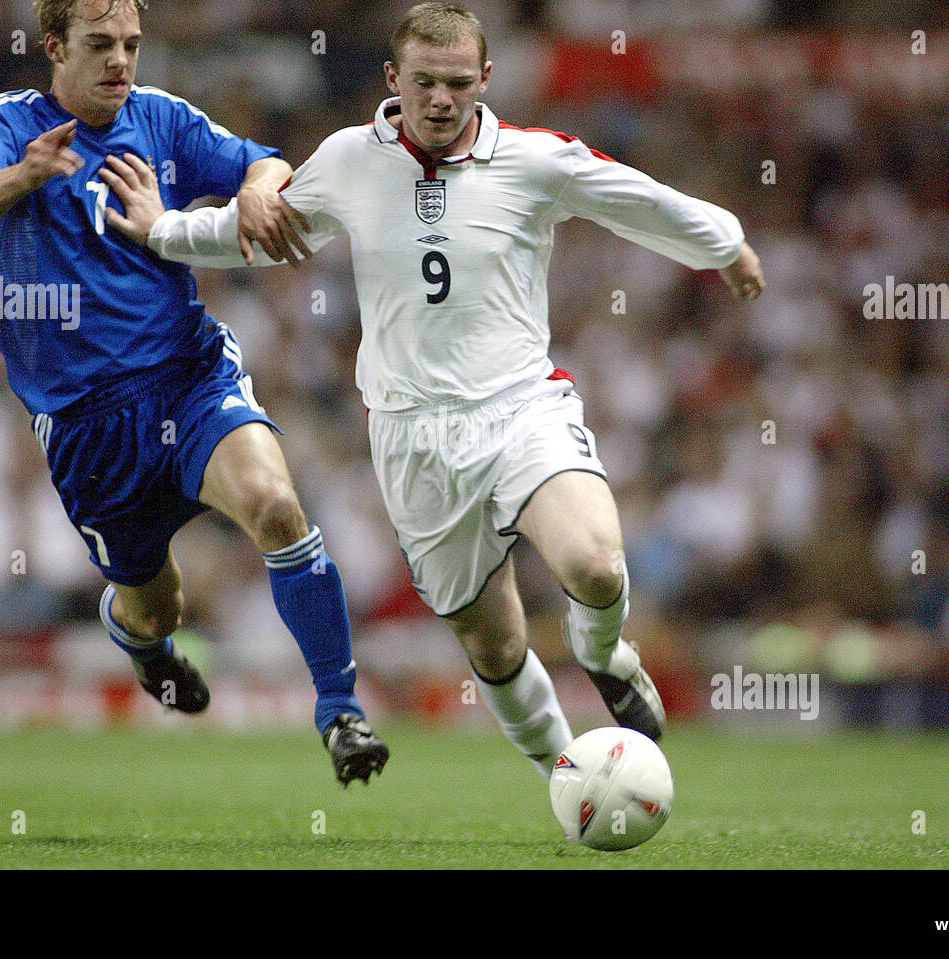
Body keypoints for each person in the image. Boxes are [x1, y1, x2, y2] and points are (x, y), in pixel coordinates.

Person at [102, 1, 764, 777]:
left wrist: (726, 242)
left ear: (485, 79)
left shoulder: (535, 160)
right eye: (425, 82)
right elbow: (265, 233)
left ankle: (606, 654)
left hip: (521, 410)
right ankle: (570, 778)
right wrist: (163, 229)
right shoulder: (350, 160)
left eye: (457, 82)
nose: (441, 99)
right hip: (412, 437)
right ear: (394, 78)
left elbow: (635, 198)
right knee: (495, 643)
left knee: (595, 566)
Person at [0, 0, 389, 786]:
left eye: (131, 44)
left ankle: (340, 712)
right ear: (54, 47)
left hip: (188, 378)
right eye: (100, 44)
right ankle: (143, 643)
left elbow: (263, 161)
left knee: (276, 507)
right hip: (86, 425)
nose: (120, 60)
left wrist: (259, 189)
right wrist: (27, 174)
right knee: (159, 607)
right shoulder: (9, 123)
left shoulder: (163, 118)